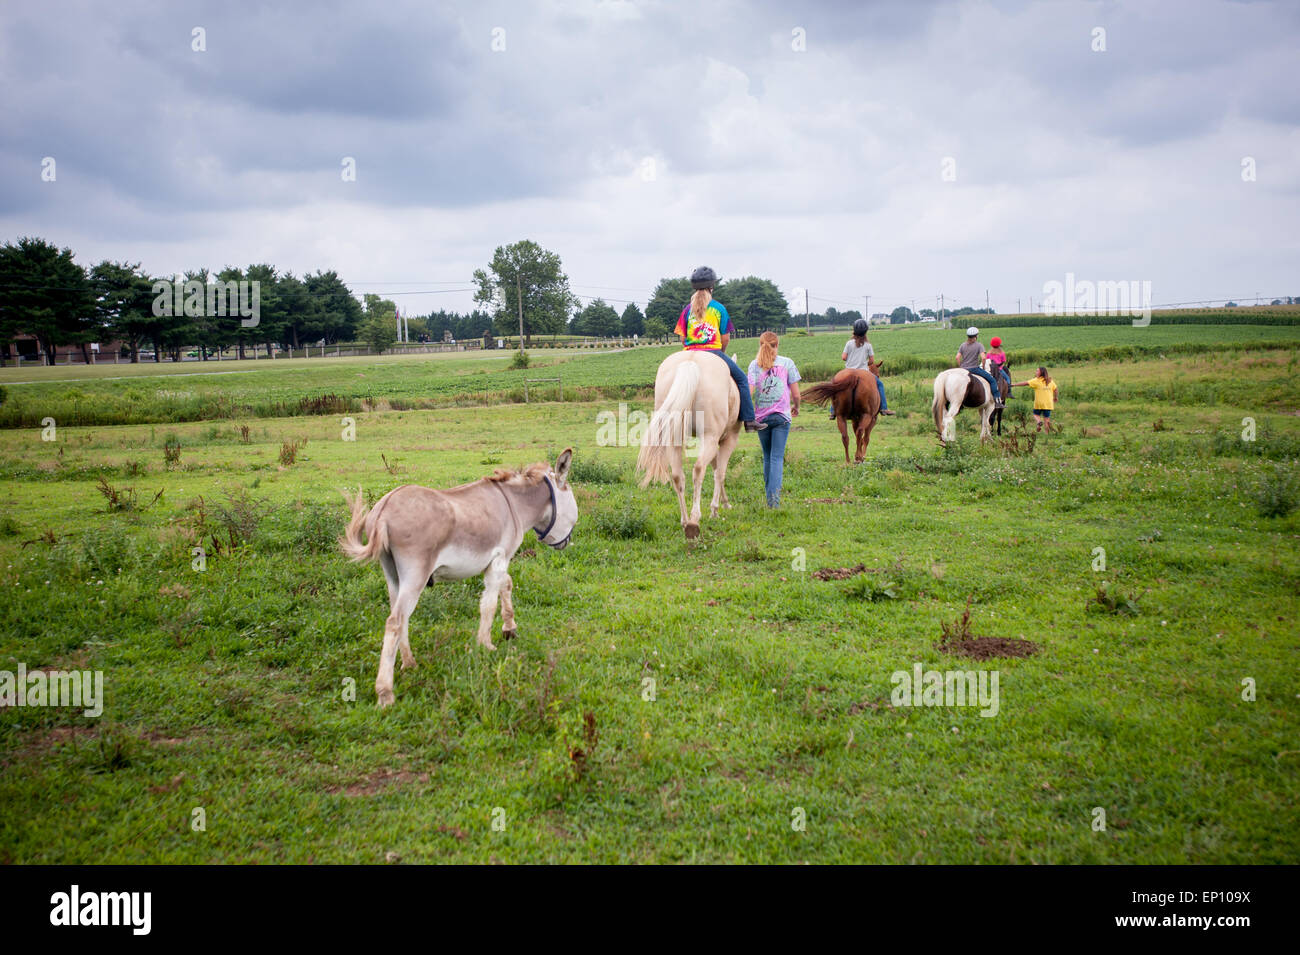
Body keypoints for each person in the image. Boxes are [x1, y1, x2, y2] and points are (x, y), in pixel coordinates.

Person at [674, 266, 764, 431]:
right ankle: (749, 420)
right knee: (742, 380)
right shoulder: (719, 308)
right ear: (711, 287)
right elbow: (725, 337)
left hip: (689, 352)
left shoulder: (687, 310)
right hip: (712, 351)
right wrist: (720, 352)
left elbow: (682, 337)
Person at [748, 331, 801, 507]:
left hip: (761, 418)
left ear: (760, 345)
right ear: (777, 345)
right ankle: (773, 502)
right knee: (777, 457)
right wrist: (797, 407)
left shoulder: (754, 366)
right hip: (781, 417)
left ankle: (769, 497)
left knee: (767, 456)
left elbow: (749, 393)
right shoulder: (787, 363)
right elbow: (796, 394)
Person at [835, 318, 893, 419]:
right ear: (866, 331)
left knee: (836, 385)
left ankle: (833, 410)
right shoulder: (868, 345)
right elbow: (871, 361)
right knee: (880, 384)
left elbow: (843, 357)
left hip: (848, 371)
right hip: (863, 372)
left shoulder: (849, 343)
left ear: (854, 330)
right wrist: (864, 362)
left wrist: (851, 360)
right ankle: (884, 408)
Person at [956, 326, 1003, 408]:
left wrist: (961, 367)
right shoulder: (979, 345)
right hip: (974, 369)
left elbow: (957, 357)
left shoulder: (962, 345)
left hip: (963, 369)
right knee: (992, 380)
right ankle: (997, 401)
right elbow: (984, 357)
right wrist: (983, 367)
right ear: (975, 336)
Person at [1011, 366, 1059, 432]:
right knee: (1046, 419)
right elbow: (1056, 389)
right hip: (1048, 403)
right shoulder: (1050, 381)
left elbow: (1025, 383)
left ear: (1040, 373)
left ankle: (1039, 421)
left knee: (1036, 414)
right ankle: (1047, 433)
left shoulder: (1036, 380)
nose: (1036, 372)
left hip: (1039, 403)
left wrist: (1014, 384)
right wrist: (1055, 397)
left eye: (1037, 371)